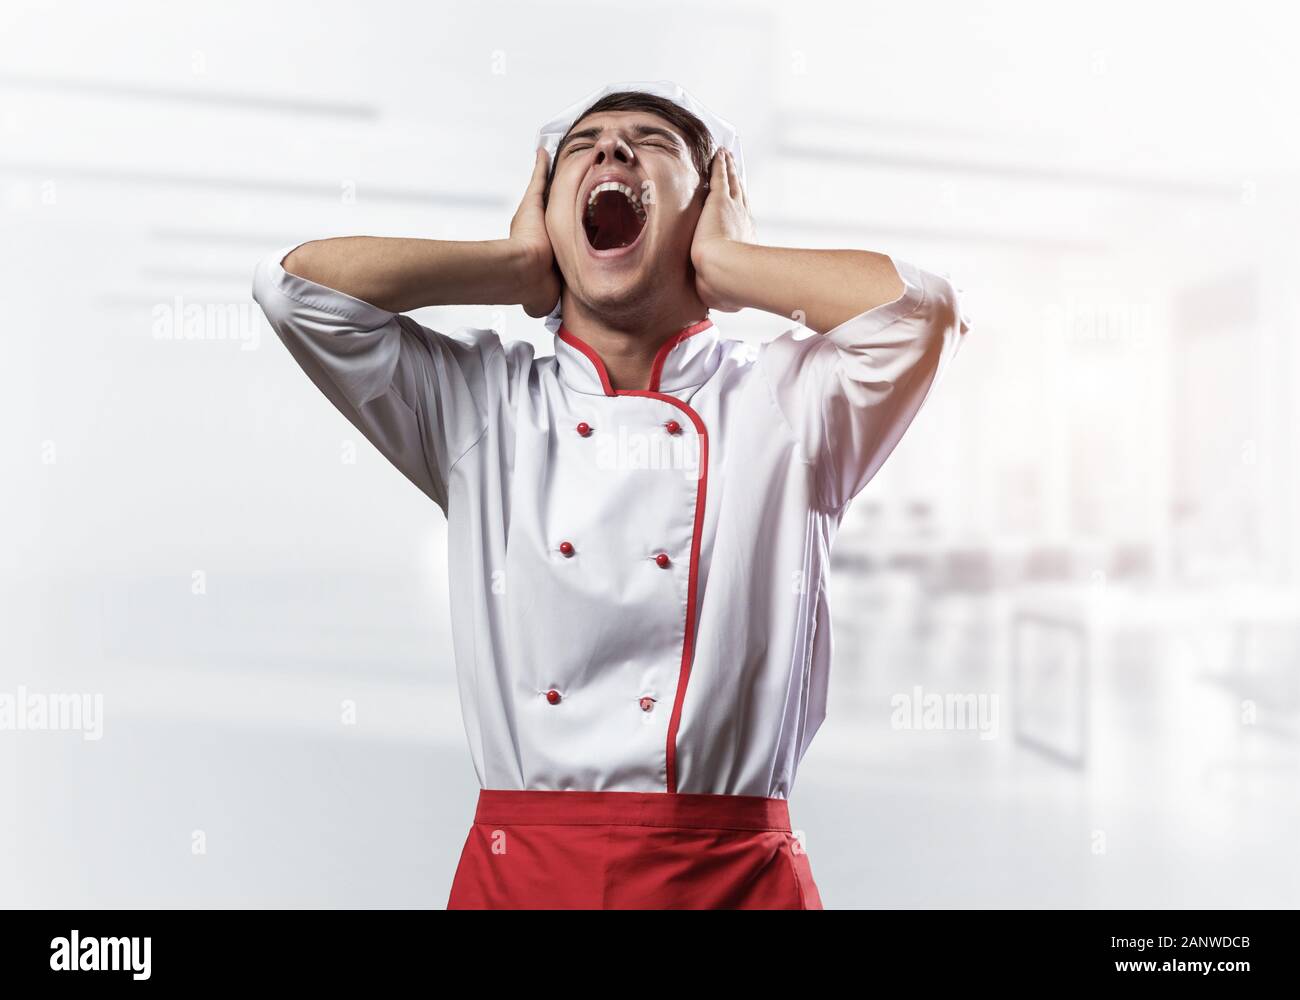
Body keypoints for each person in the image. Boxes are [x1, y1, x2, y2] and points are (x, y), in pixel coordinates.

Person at [250, 80, 971, 909]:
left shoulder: (785, 404)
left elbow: (920, 316)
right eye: (583, 146)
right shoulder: (483, 405)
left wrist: (730, 268)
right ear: (548, 216)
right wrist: (512, 266)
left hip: (733, 877)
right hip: (521, 876)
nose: (614, 149)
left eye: (653, 142)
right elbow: (294, 292)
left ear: (707, 213)